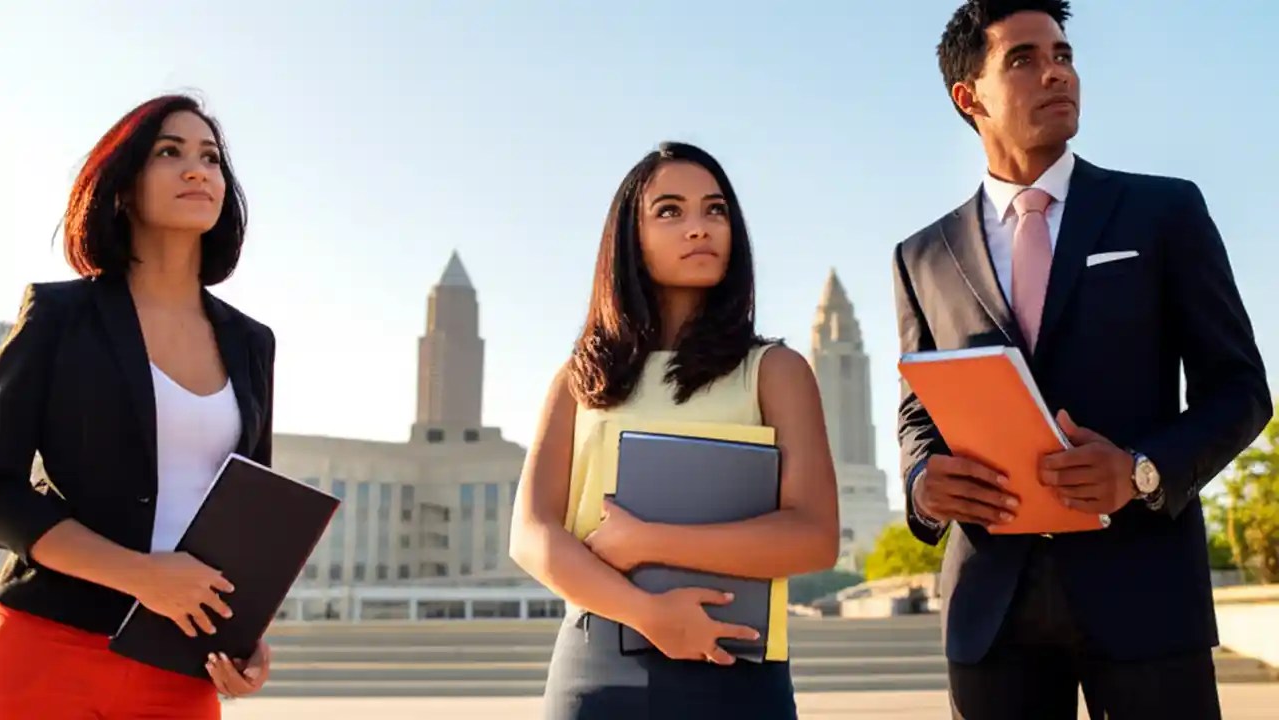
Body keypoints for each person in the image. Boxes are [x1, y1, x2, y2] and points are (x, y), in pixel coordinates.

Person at [892, 2, 1273, 718]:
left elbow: (1241, 391)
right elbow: (919, 412)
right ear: (968, 97)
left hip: (1146, 594)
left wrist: (1140, 470)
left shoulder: (1164, 212)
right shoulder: (922, 257)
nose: (1056, 72)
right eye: (1024, 59)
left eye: (1063, 54)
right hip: (989, 608)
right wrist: (921, 485)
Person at [509, 141, 840, 719]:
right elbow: (532, 534)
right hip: (595, 675)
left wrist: (650, 541)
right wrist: (647, 613)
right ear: (629, 238)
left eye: (715, 210)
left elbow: (814, 536)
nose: (699, 228)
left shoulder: (776, 372)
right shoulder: (578, 377)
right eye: (670, 211)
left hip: (736, 674)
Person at [0, 94, 276, 718]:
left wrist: (245, 633)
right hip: (49, 648)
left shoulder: (253, 344)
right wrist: (139, 574)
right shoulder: (59, 316)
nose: (198, 170)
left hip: (177, 665)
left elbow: (252, 512)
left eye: (211, 158)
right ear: (122, 187)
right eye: (169, 152)